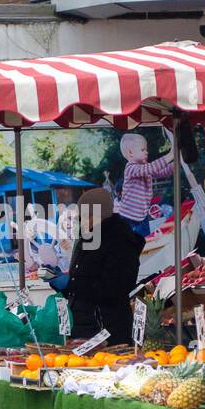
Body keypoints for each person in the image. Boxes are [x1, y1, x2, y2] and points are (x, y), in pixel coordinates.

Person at [47, 188, 143, 341]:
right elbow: (82, 284)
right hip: (82, 329)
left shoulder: (120, 243)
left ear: (94, 216)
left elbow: (112, 290)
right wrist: (61, 283)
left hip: (107, 331)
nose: (79, 221)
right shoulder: (87, 239)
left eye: (82, 217)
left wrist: (70, 283)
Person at [115, 132, 175, 237]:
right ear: (130, 153)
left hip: (141, 215)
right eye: (143, 150)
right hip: (129, 216)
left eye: (146, 149)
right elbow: (152, 168)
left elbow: (162, 172)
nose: (147, 152)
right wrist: (170, 155)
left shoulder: (144, 166)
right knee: (132, 240)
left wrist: (174, 165)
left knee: (144, 238)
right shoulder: (131, 168)